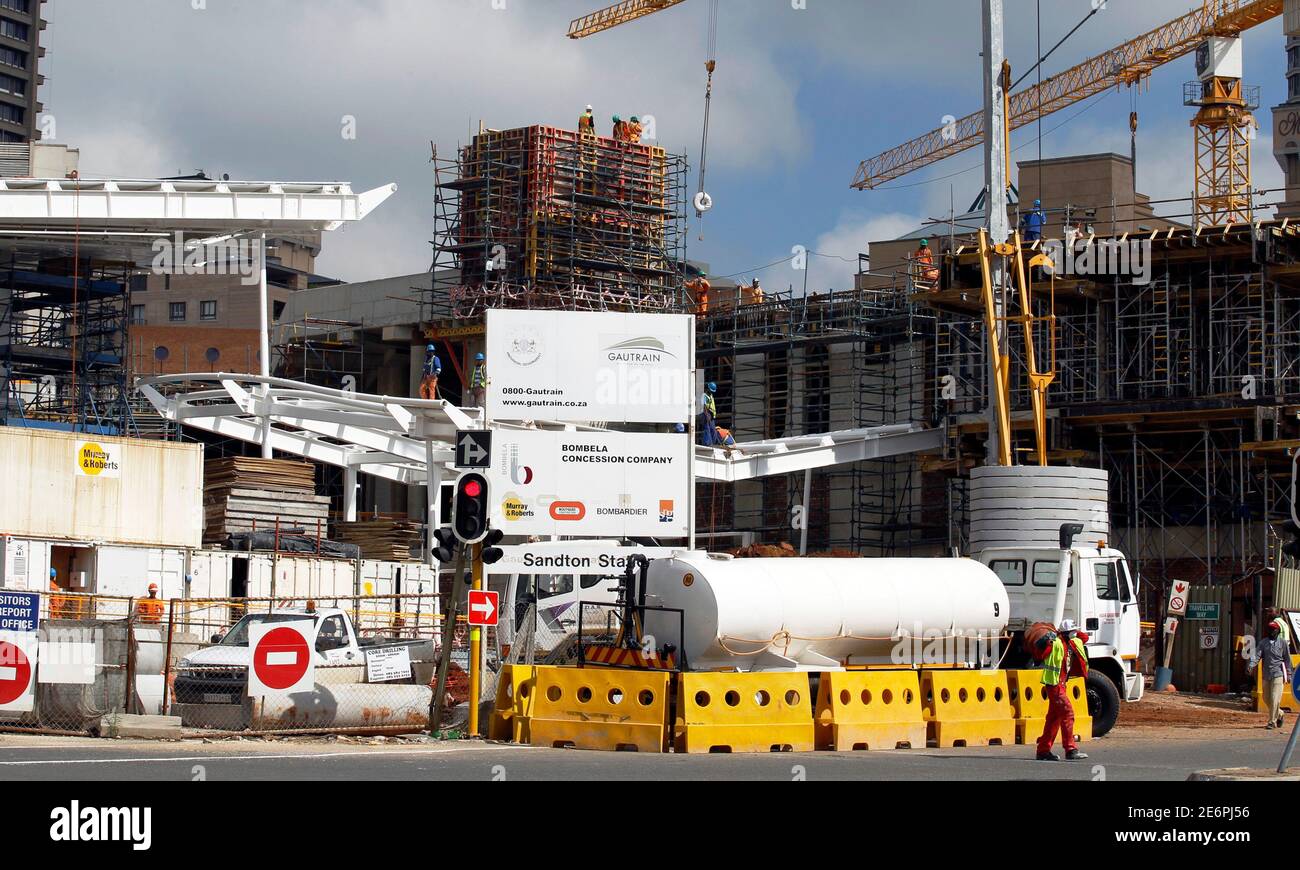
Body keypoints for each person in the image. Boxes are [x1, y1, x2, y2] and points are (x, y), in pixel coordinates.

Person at [1036, 619, 1090, 761]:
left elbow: (1085, 637)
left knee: (1054, 718)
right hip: (1054, 684)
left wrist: (1074, 631)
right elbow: (1040, 652)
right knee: (1067, 712)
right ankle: (1070, 749)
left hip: (1060, 685)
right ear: (1066, 633)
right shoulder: (1056, 643)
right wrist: (1050, 638)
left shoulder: (1072, 642)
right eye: (1072, 631)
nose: (1075, 634)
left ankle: (1043, 750)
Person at [1250, 620, 1294, 729]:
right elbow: (1257, 656)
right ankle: (1280, 714)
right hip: (1266, 674)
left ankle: (1272, 722)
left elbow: (1287, 659)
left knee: (1275, 699)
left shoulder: (1283, 643)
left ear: (1278, 631)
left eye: (1273, 629)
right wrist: (1251, 665)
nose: (1271, 631)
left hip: (1278, 674)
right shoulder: (1263, 643)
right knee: (1266, 698)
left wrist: (1289, 674)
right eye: (1269, 629)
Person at [699, 382, 718, 446]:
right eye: (711, 390)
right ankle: (707, 444)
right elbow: (704, 406)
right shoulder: (704, 396)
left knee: (713, 430)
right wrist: (707, 415)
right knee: (707, 430)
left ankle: (713, 444)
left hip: (711, 415)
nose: (712, 392)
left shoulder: (710, 395)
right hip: (706, 414)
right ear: (708, 389)